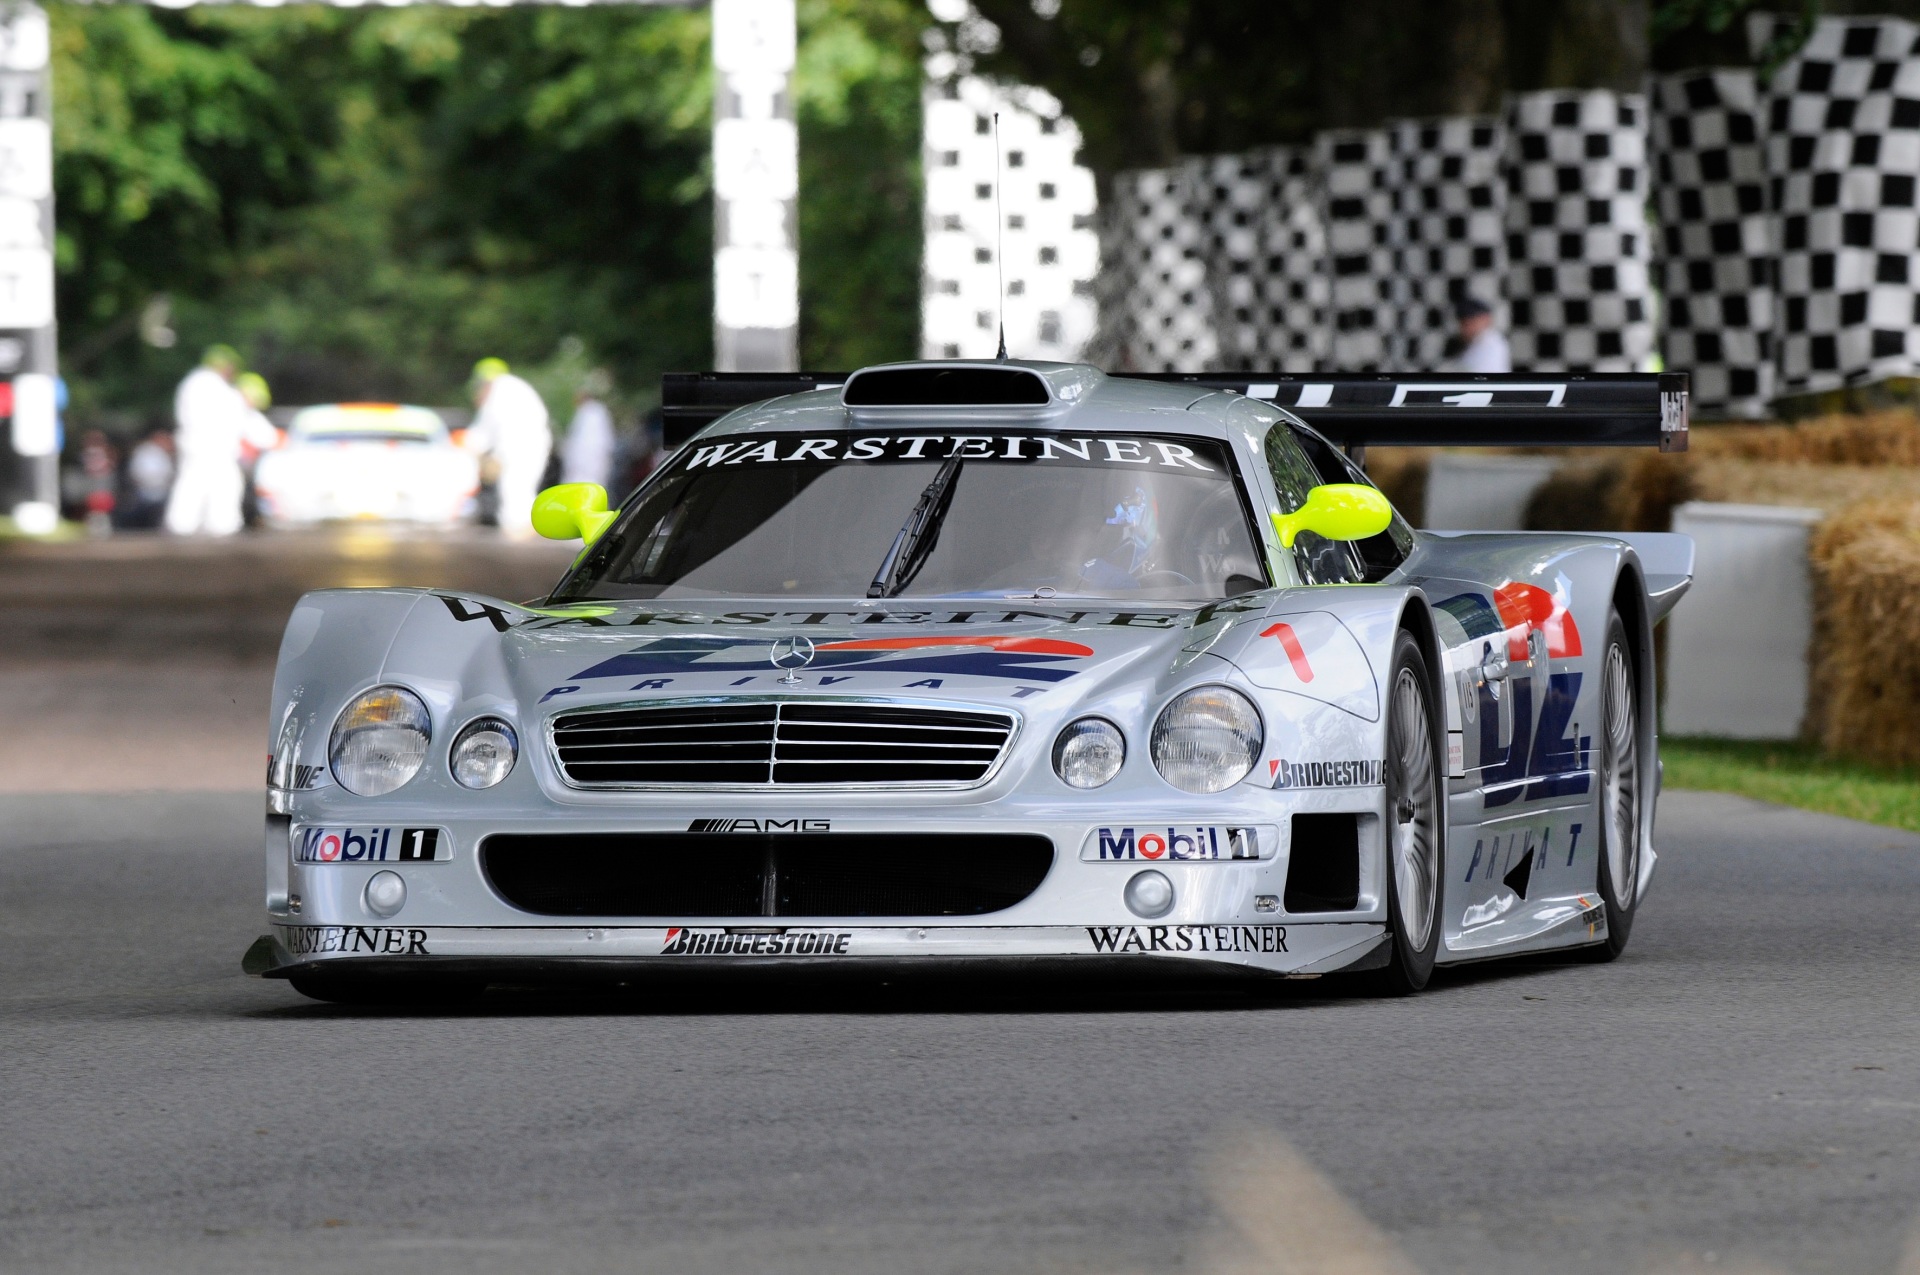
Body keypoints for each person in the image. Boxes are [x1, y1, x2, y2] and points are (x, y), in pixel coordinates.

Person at [164, 346, 253, 536]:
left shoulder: (191, 382)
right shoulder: (215, 385)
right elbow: (234, 417)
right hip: (214, 445)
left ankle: (182, 524)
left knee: (192, 483)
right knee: (224, 483)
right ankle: (221, 525)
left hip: (194, 442)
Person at [464, 358, 551, 536]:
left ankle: (518, 545)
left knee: (514, 495)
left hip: (519, 448)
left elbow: (482, 433)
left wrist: (483, 455)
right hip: (531, 445)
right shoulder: (515, 387)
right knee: (521, 493)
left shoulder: (499, 390)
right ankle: (523, 537)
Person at [560, 371, 616, 489]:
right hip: (584, 466)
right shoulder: (585, 413)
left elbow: (591, 444)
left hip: (590, 465)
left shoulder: (594, 412)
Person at [121, 430, 175, 529]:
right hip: (144, 492)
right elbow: (137, 473)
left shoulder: (164, 453)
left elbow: (169, 474)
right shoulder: (144, 452)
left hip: (162, 491)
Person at [1444, 296, 1511, 373]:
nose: (1466, 328)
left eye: (1471, 322)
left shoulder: (1491, 341)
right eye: (1463, 323)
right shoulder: (1470, 342)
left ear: (1486, 319)